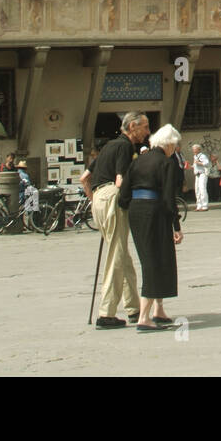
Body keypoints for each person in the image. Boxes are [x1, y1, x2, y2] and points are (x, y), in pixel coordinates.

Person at [81, 111, 148, 329]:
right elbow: (121, 180)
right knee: (116, 255)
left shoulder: (108, 146)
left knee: (122, 254)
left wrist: (95, 201)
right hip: (112, 196)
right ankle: (106, 313)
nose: (147, 132)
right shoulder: (126, 147)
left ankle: (133, 307)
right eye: (144, 127)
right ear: (132, 128)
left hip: (99, 197)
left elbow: (85, 178)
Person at [118, 124, 184, 332]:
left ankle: (159, 309)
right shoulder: (166, 163)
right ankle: (144, 317)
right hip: (155, 212)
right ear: (170, 144)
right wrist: (176, 225)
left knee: (153, 258)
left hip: (137, 212)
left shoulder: (138, 162)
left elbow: (124, 194)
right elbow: (168, 197)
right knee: (156, 261)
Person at [191, 143, 211, 211]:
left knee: (202, 189)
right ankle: (199, 205)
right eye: (193, 149)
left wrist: (199, 163)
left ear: (198, 149)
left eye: (194, 149)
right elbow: (195, 165)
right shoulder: (195, 156)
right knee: (197, 190)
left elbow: (207, 163)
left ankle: (205, 206)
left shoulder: (202, 156)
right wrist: (191, 166)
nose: (193, 150)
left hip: (202, 174)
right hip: (197, 174)